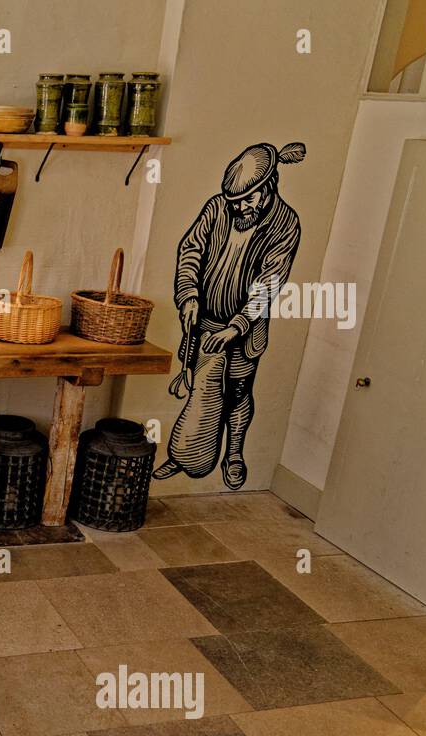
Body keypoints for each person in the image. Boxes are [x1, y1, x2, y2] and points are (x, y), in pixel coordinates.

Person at [153, 142, 305, 489]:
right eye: (235, 200)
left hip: (244, 330)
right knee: (198, 388)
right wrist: (188, 296)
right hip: (204, 321)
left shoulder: (286, 223)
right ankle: (186, 454)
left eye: (248, 199)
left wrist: (236, 326)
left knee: (237, 391)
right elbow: (190, 249)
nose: (239, 207)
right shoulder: (218, 208)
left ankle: (233, 454)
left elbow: (270, 281)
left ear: (269, 187)